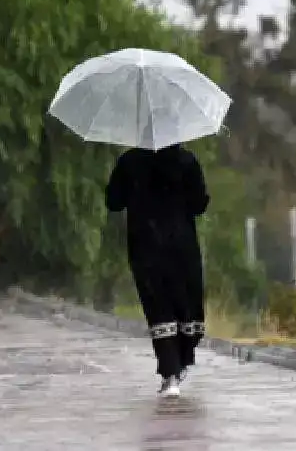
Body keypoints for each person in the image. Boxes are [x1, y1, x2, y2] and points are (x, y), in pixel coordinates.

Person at [105, 143, 210, 399]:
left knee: (158, 306)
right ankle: (180, 361)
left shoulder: (129, 162)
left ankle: (170, 373)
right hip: (182, 245)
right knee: (184, 304)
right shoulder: (186, 161)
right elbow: (199, 204)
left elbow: (113, 202)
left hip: (145, 245)